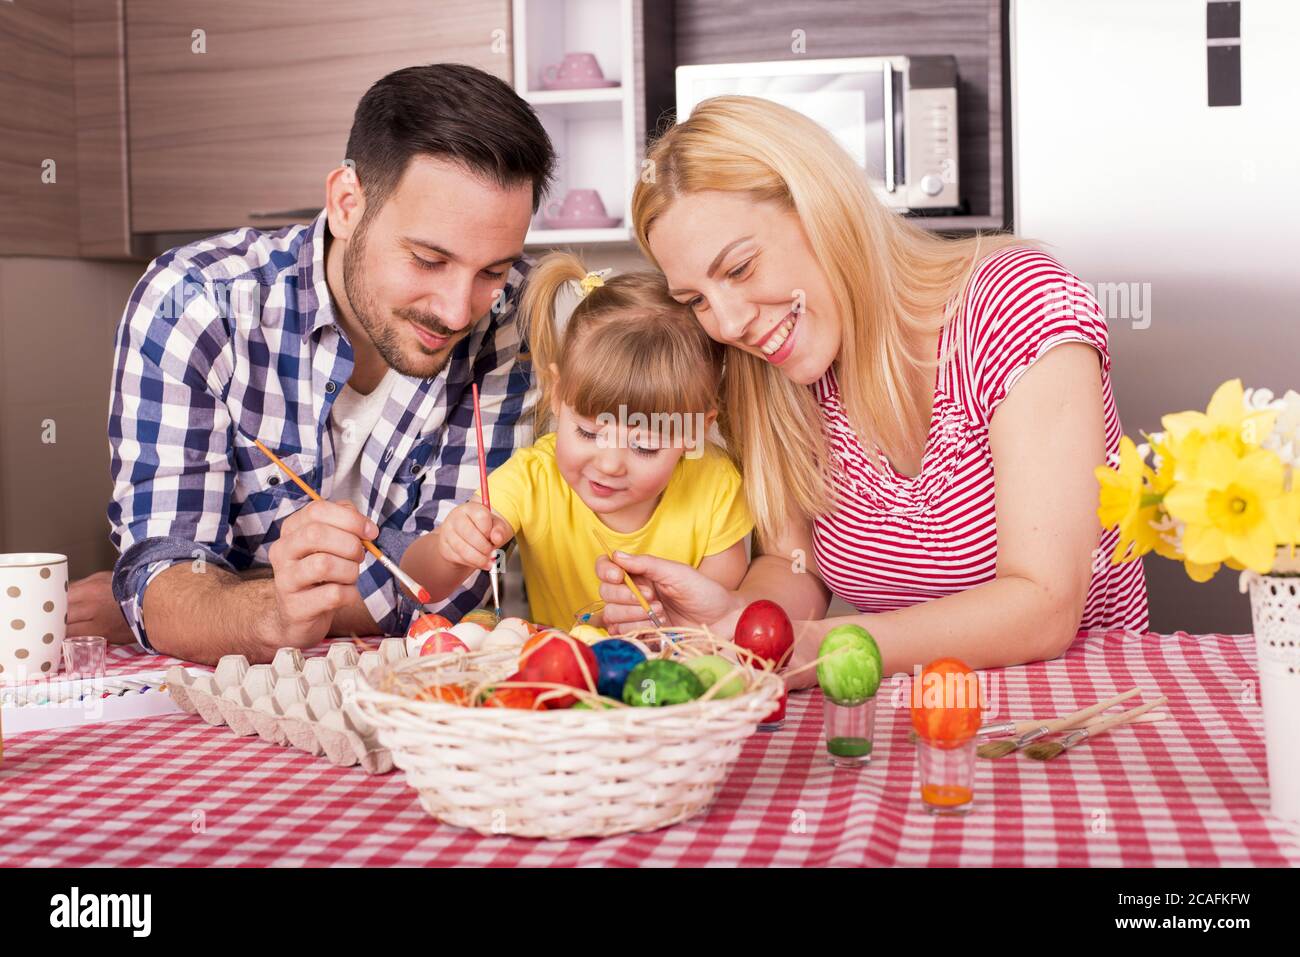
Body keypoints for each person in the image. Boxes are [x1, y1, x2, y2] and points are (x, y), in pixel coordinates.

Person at [596, 95, 1148, 686]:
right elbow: (793, 565)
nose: (729, 325)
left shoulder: (1020, 304)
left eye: (739, 269)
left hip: (1077, 717)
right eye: (697, 300)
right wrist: (739, 622)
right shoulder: (776, 375)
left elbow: (1043, 606)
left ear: (822, 209)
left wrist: (815, 649)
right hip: (912, 724)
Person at [72, 64, 555, 665]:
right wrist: (265, 610)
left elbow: (450, 588)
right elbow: (164, 573)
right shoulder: (196, 301)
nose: (459, 312)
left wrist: (215, 598)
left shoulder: (517, 315)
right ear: (348, 203)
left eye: (492, 270)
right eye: (429, 260)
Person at [406, 253, 753, 629]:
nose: (609, 464)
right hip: (557, 679)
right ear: (556, 395)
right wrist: (451, 548)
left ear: (694, 431)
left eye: (645, 446)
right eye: (589, 432)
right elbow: (420, 581)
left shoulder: (717, 487)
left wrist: (669, 621)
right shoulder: (532, 478)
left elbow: (717, 621)